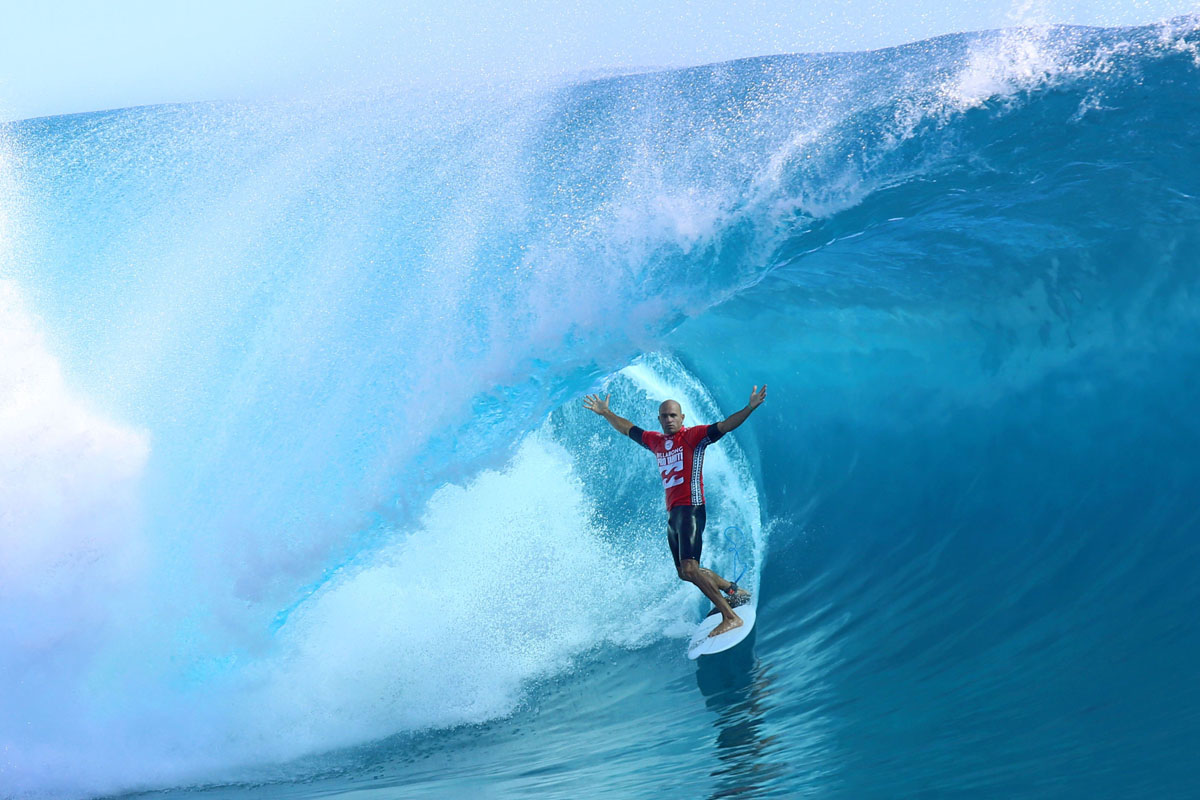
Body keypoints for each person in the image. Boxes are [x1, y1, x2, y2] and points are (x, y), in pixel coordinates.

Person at [583, 385, 767, 636]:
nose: (669, 420)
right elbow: (627, 428)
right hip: (673, 515)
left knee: (691, 568)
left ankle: (730, 616)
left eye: (673, 415)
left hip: (690, 508)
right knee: (684, 572)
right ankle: (734, 592)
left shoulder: (694, 437)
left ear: (682, 418)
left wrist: (750, 407)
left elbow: (725, 425)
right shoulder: (655, 442)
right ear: (659, 419)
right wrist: (606, 413)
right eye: (664, 416)